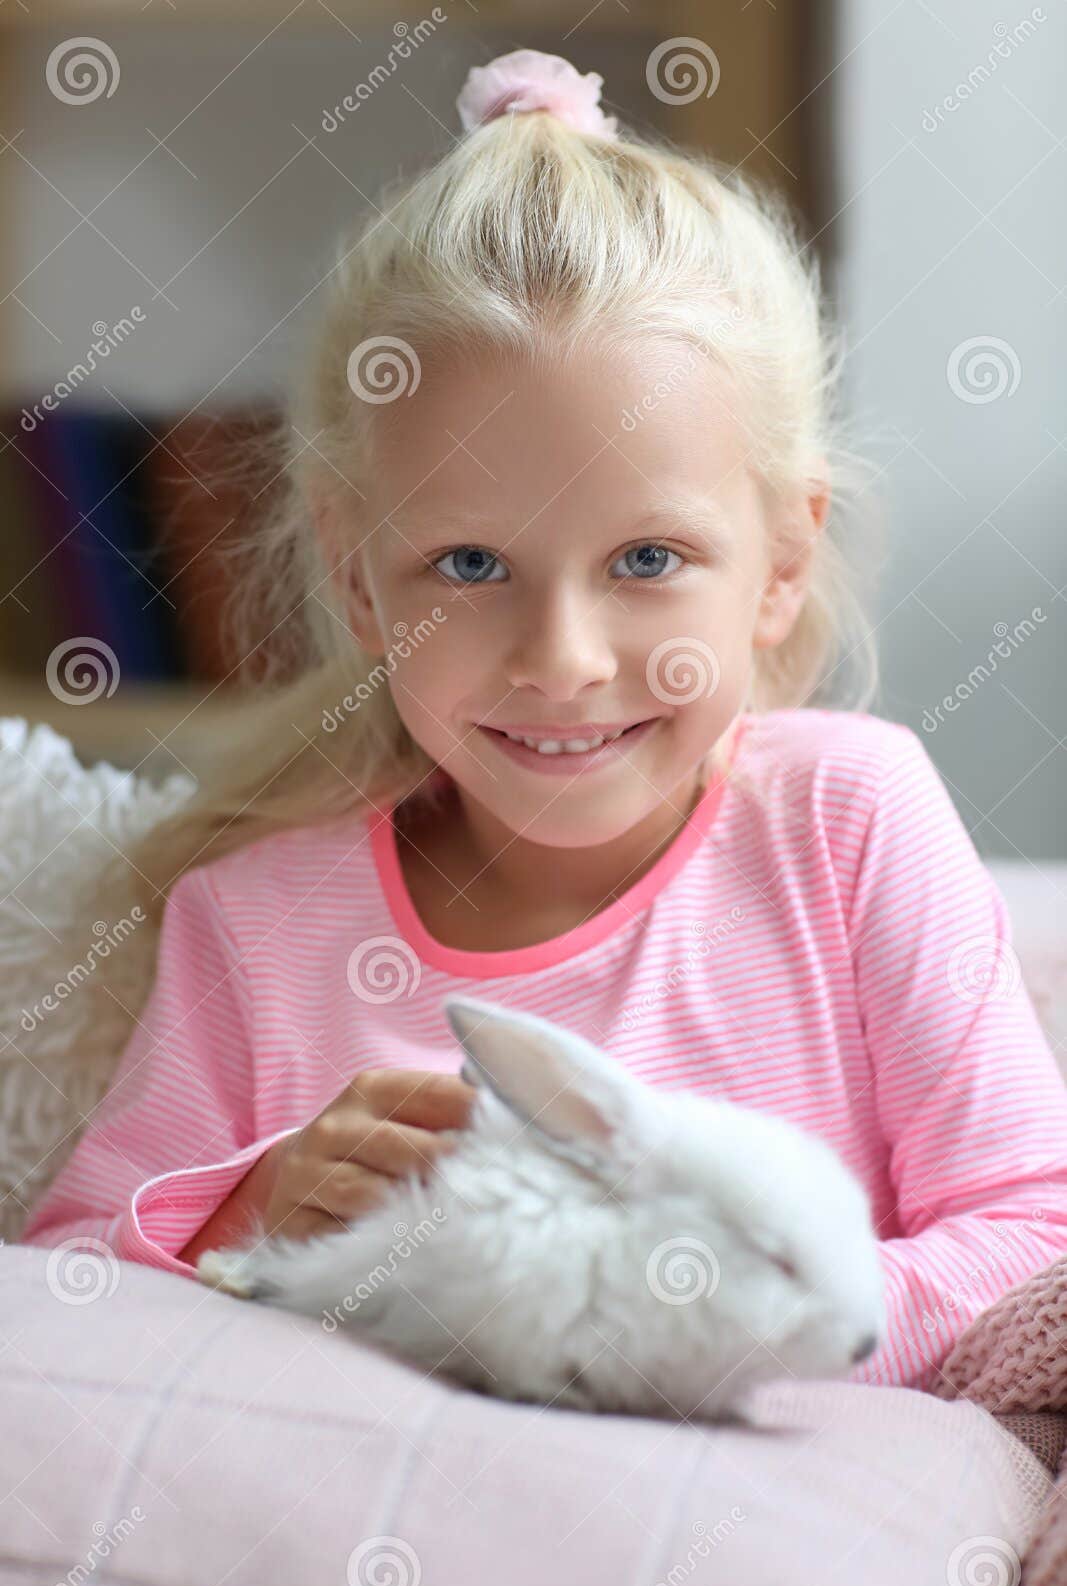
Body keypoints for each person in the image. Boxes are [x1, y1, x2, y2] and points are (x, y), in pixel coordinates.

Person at [21, 48, 1067, 1396]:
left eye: (646, 560)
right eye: (469, 565)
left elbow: (1037, 1240)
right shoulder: (256, 925)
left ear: (784, 559)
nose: (563, 662)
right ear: (357, 578)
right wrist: (246, 1218)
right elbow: (58, 1296)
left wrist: (698, 1339)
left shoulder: (847, 823)